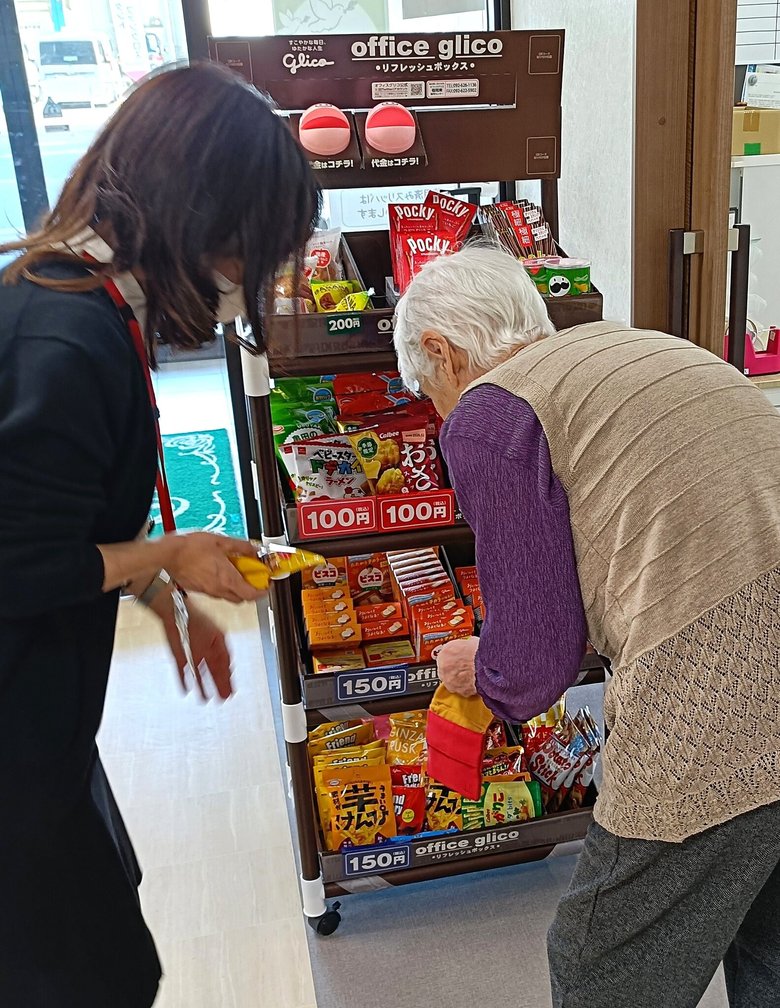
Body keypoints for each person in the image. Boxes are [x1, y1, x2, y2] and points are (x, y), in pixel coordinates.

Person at [0, 63, 320, 1007]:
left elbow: (59, 519)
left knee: (113, 943)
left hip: (46, 725)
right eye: (249, 253)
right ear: (202, 218)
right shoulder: (61, 337)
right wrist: (169, 558)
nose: (245, 281)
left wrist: (158, 591)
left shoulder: (77, 300)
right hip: (14, 746)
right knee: (93, 976)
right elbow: (16, 558)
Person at [393, 245, 780, 1008]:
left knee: (601, 959)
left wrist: (485, 672)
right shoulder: (636, 346)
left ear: (442, 350)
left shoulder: (491, 413)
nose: (440, 411)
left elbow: (535, 659)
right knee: (767, 931)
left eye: (427, 389)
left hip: (717, 692)